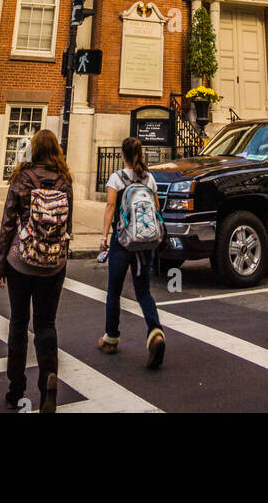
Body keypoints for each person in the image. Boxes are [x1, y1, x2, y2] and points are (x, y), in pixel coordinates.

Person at [0, 128, 73, 413]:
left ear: (33, 150)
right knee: (46, 324)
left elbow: (7, 224)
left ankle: (16, 390)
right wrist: (61, 256)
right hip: (53, 264)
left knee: (18, 323)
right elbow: (68, 226)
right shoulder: (65, 181)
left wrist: (0, 263)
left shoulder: (21, 178)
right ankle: (47, 381)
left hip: (21, 261)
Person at [98, 136, 165, 368]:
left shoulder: (116, 178)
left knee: (113, 291)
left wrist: (104, 236)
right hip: (145, 244)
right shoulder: (149, 178)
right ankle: (155, 331)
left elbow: (110, 206)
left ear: (123, 155)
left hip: (122, 241)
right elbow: (156, 209)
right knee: (144, 292)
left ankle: (111, 338)